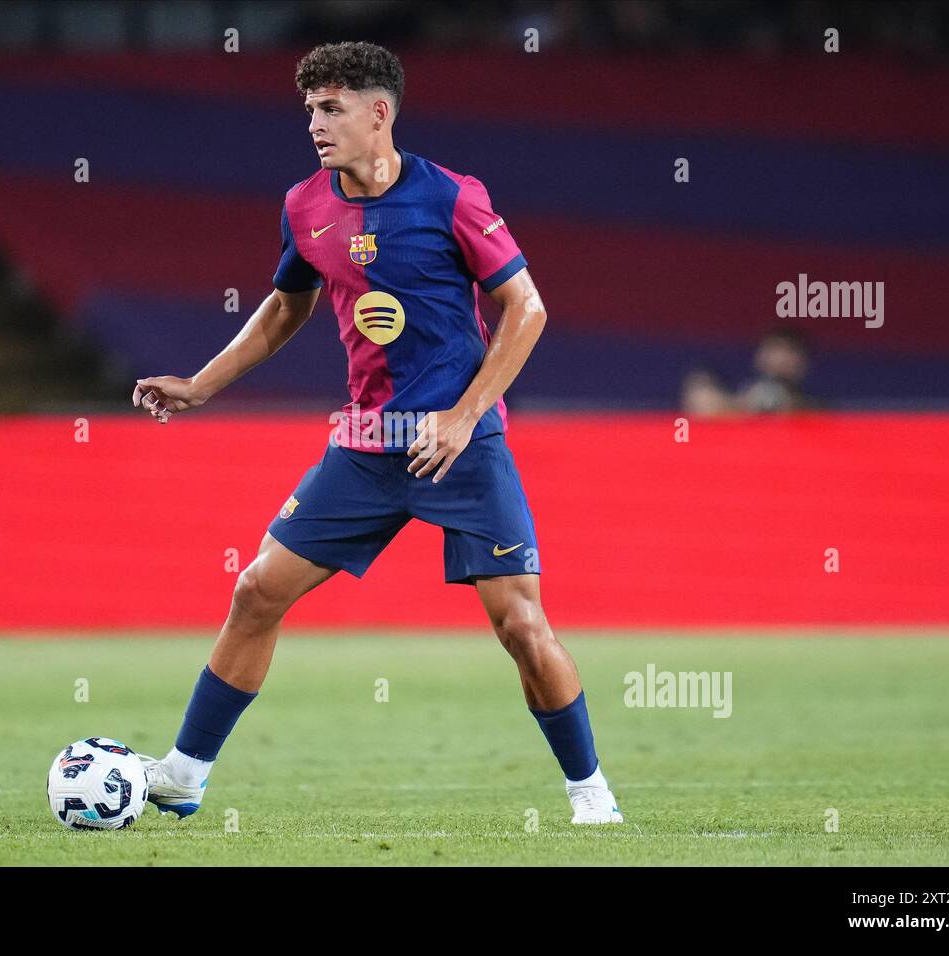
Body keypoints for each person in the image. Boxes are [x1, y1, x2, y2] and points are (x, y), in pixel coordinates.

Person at [131, 42, 622, 824]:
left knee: (522, 627)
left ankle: (591, 798)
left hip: (461, 447)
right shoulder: (305, 206)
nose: (316, 126)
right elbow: (285, 307)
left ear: (378, 112)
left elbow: (526, 309)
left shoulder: (454, 197)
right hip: (363, 445)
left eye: (331, 109)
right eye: (310, 112)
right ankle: (185, 775)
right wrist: (200, 385)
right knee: (256, 590)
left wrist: (464, 418)